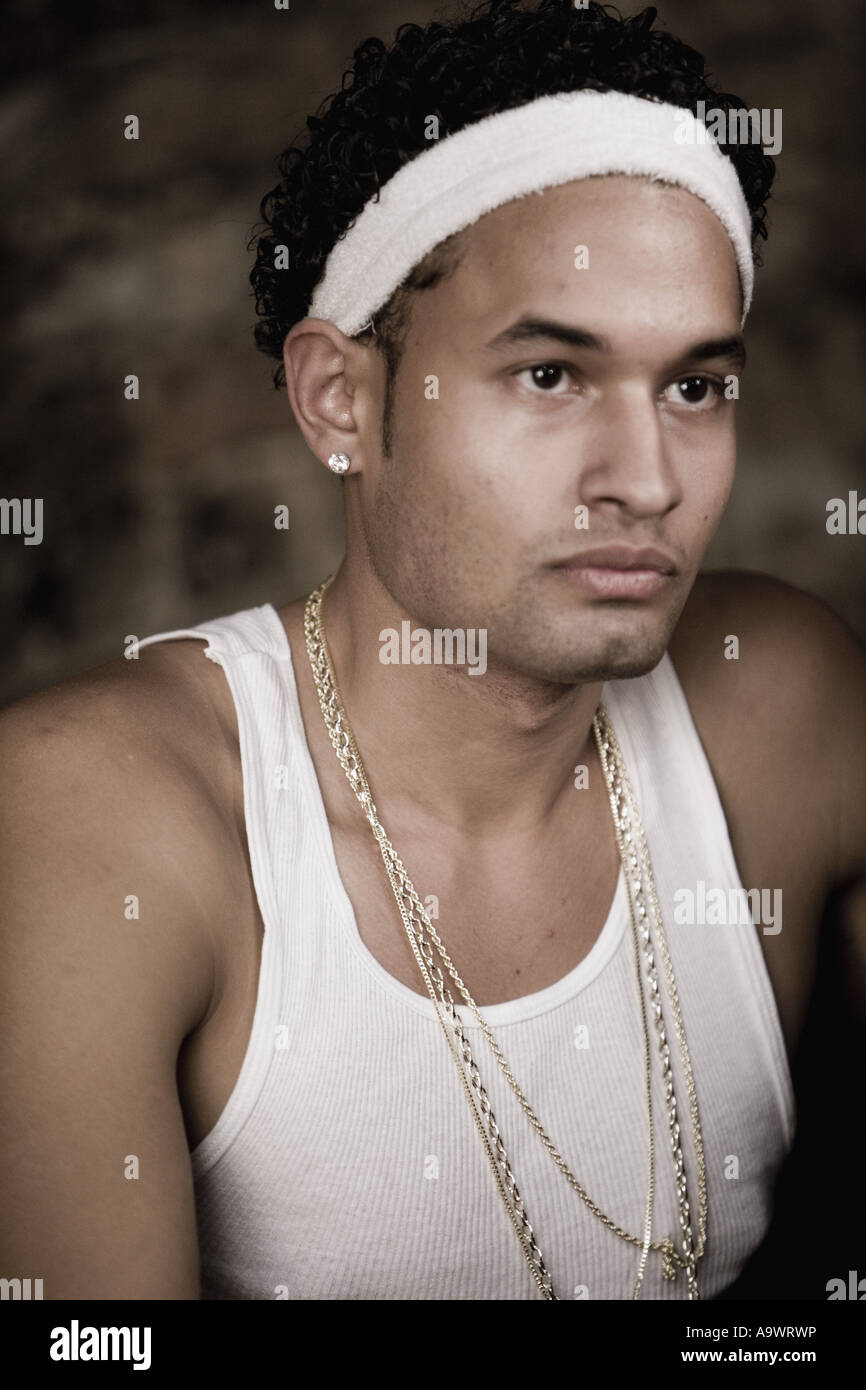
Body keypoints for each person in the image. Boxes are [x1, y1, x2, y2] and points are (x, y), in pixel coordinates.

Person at [1, 0, 863, 1302]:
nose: (643, 479)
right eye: (549, 375)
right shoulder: (93, 816)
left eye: (692, 384)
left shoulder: (781, 699)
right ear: (339, 400)